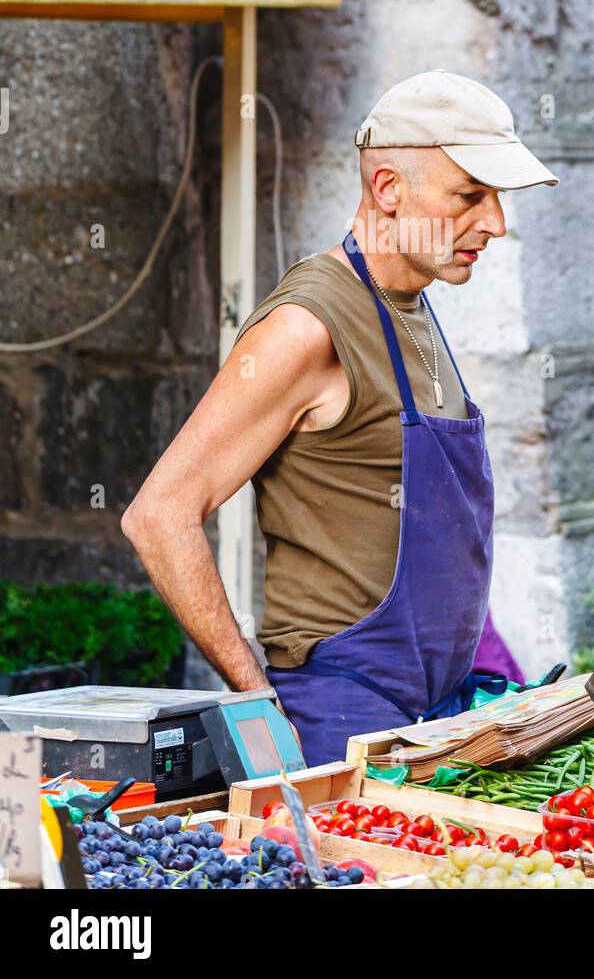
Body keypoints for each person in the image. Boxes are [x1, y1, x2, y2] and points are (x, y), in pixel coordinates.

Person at [121, 69, 559, 765]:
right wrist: (257, 703)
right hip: (340, 724)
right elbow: (158, 515)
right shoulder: (306, 325)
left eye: (497, 197)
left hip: (437, 720)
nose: (496, 223)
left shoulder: (413, 303)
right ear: (389, 189)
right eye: (470, 195)